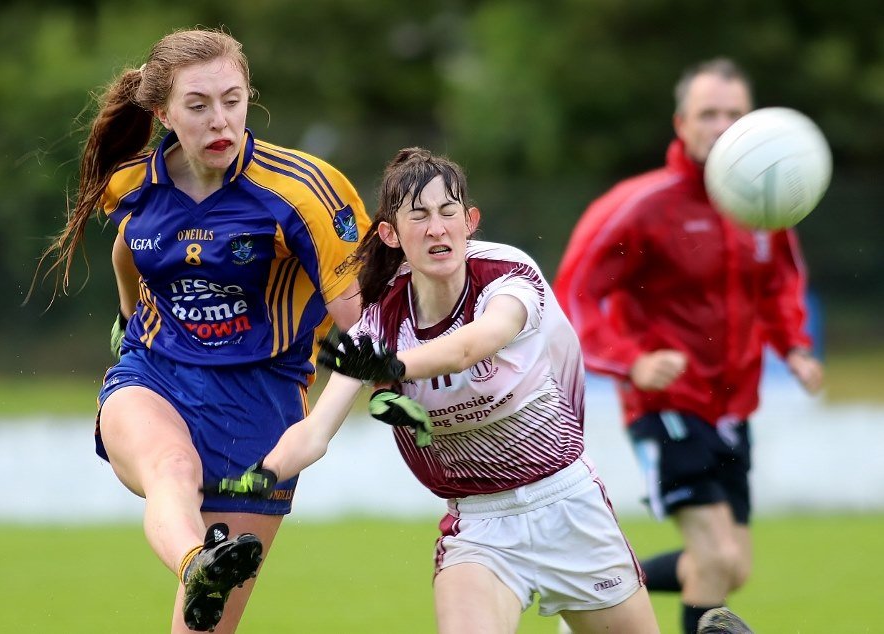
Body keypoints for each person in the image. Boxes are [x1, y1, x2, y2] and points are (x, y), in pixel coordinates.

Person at [216, 147, 661, 633]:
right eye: (419, 216)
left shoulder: (507, 275)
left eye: (448, 212)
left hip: (568, 505)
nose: (436, 229)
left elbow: (473, 345)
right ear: (390, 233)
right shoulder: (379, 325)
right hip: (479, 526)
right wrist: (263, 473)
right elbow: (316, 432)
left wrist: (391, 365)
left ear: (469, 221)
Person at [37, 28, 369, 633]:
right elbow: (128, 249)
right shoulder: (130, 183)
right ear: (163, 112)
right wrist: (128, 320)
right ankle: (197, 562)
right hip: (153, 374)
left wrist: (342, 414)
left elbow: (362, 325)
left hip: (260, 408)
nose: (220, 120)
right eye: (198, 106)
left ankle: (206, 567)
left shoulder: (301, 192)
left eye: (233, 100)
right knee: (170, 467)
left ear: (249, 98)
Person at [552, 57, 823, 634]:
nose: (721, 125)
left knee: (731, 565)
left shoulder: (764, 202)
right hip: (667, 406)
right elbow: (573, 295)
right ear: (681, 124)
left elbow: (778, 285)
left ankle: (589, 599)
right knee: (717, 557)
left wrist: (795, 347)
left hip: (732, 409)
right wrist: (632, 362)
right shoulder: (642, 206)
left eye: (734, 113)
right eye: (708, 114)